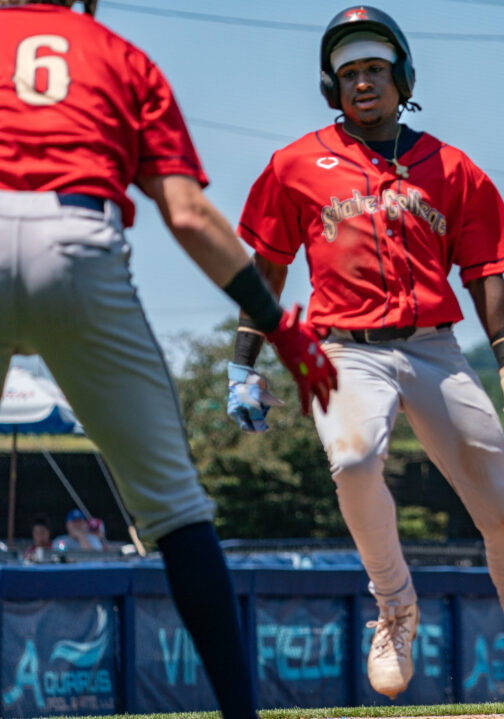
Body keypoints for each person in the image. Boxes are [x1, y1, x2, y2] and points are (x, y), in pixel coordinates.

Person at [226, 7, 504, 718]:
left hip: (433, 347)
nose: (362, 83)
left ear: (403, 78)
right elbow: (264, 269)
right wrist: (242, 363)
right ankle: (394, 608)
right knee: (354, 461)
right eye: (349, 73)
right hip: (343, 350)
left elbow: (486, 272)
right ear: (332, 87)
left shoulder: (451, 167)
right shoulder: (294, 164)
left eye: (375, 70)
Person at [0, 2, 338, 718]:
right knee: (179, 512)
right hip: (78, 242)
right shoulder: (120, 55)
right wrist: (280, 329)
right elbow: (185, 214)